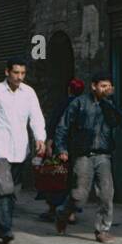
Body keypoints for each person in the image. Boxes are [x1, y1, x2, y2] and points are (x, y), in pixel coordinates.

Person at [0, 59, 46, 244]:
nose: (19, 77)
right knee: (5, 187)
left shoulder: (29, 93)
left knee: (12, 190)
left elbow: (36, 117)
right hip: (0, 146)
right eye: (16, 73)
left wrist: (39, 138)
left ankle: (0, 226)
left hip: (20, 148)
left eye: (23, 73)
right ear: (7, 72)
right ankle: (5, 229)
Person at [54, 73, 122, 243]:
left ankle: (102, 230)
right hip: (83, 154)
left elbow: (119, 121)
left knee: (107, 193)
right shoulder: (79, 103)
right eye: (103, 86)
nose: (106, 89)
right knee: (79, 196)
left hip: (103, 155)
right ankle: (62, 214)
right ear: (93, 86)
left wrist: (110, 104)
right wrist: (61, 148)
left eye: (109, 86)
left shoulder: (109, 105)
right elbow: (63, 126)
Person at [38, 78, 85, 223]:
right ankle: (71, 213)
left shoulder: (63, 104)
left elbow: (55, 124)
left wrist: (50, 142)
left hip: (62, 145)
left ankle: (53, 209)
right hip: (78, 147)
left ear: (69, 90)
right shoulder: (86, 104)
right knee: (73, 179)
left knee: (56, 176)